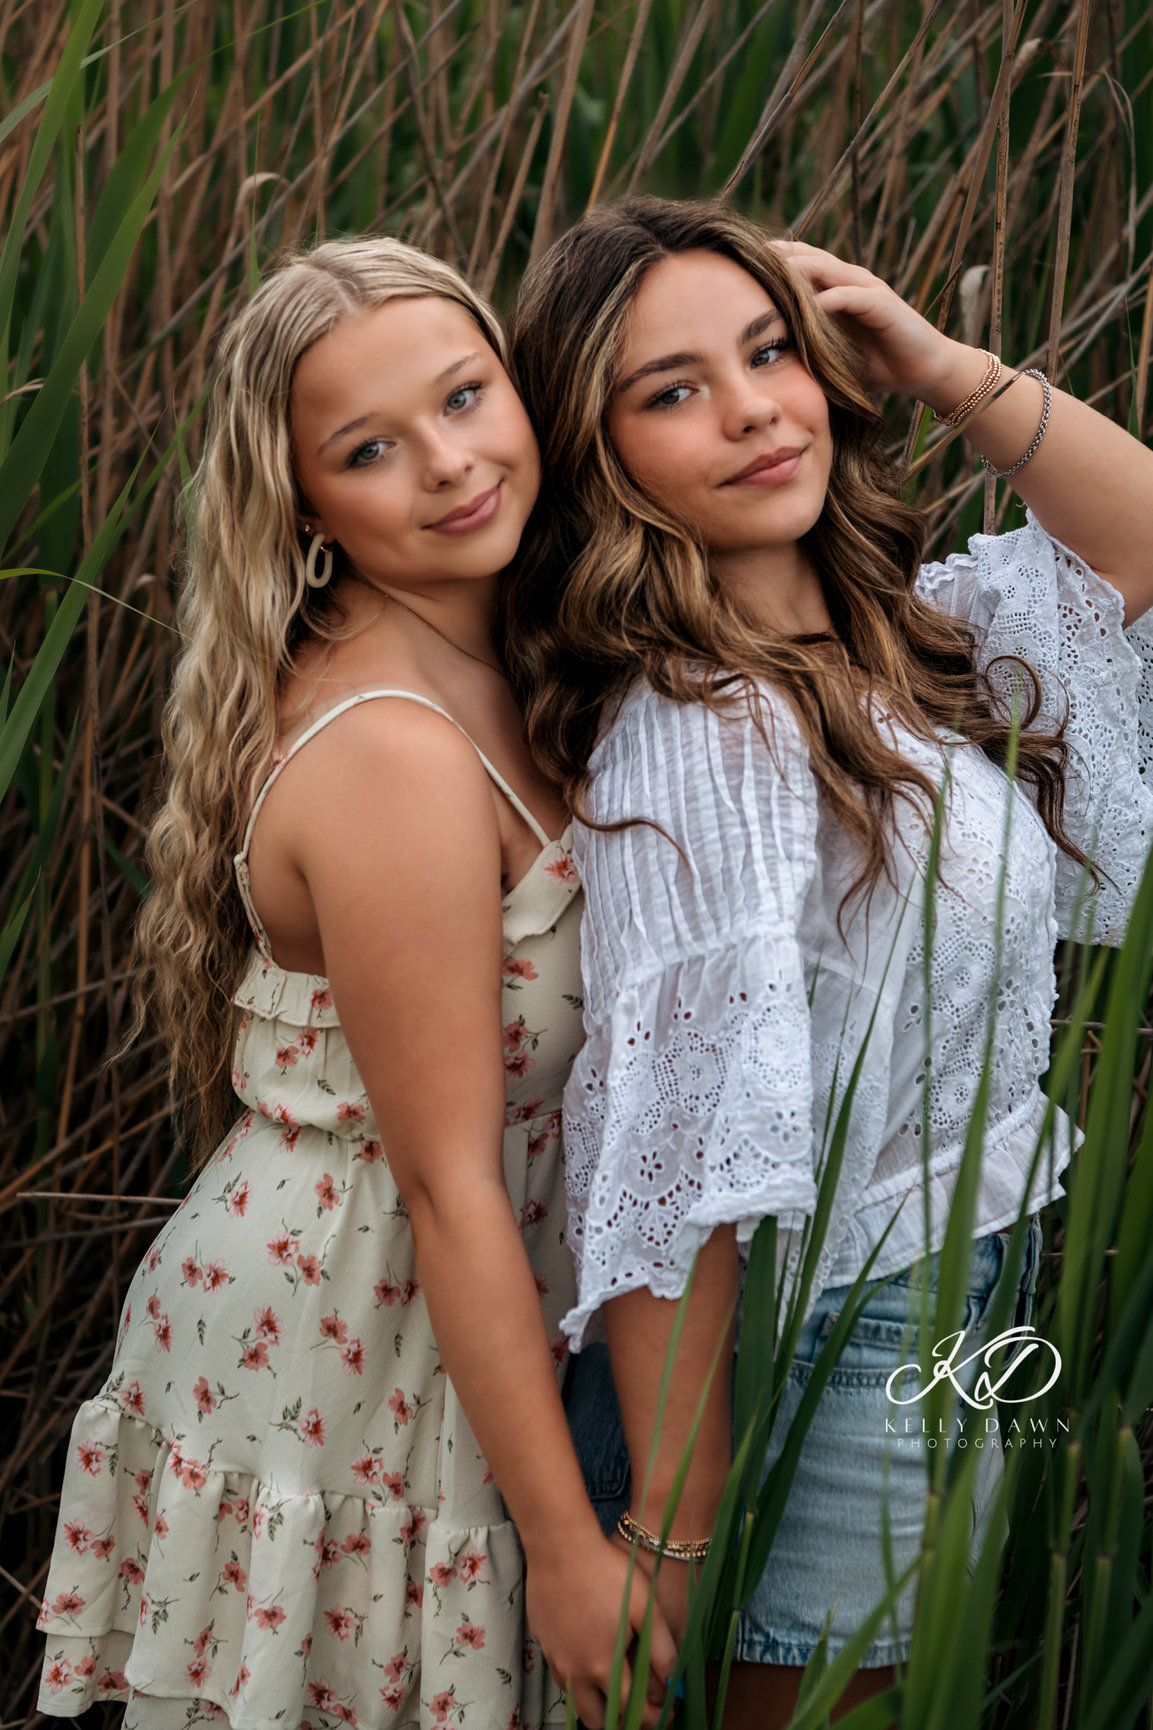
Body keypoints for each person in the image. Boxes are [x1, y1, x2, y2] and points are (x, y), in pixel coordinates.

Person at [504, 196, 1153, 1726]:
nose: (750, 411)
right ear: (598, 458)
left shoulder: (907, 644)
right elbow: (676, 1165)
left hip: (952, 1292)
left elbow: (1135, 537)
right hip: (829, 1340)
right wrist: (670, 1528)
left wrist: (935, 363)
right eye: (672, 391)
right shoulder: (703, 734)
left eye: (767, 353)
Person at [34, 238, 676, 1730]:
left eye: (464, 397)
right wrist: (564, 1550)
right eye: (370, 449)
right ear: (306, 507)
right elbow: (448, 1182)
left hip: (441, 1313)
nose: (448, 464)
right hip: (354, 1337)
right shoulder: (393, 751)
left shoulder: (504, 655)